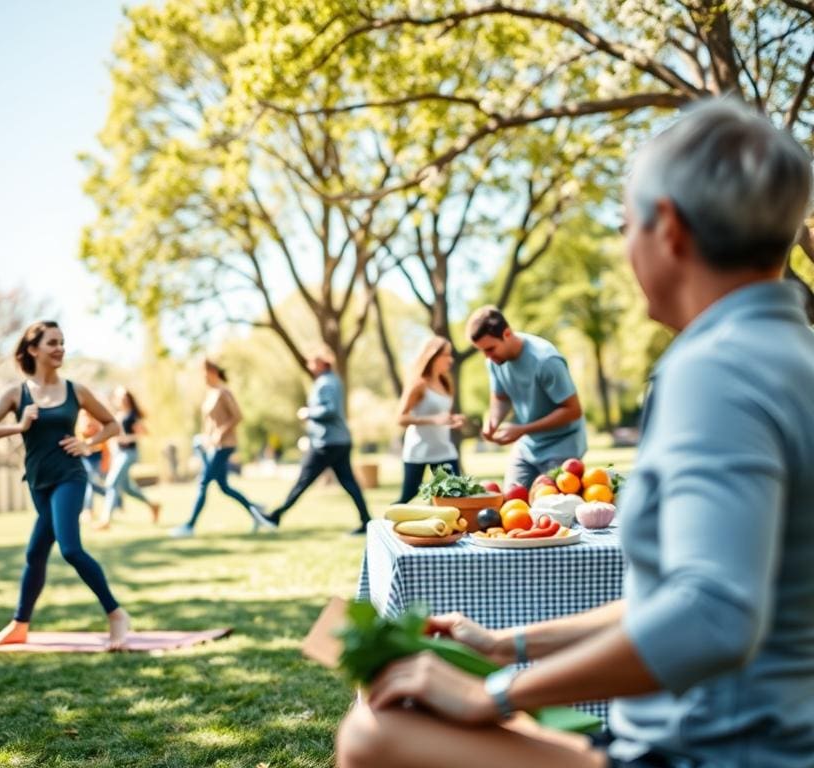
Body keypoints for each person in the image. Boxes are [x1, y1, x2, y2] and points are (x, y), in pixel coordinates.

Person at [336, 100, 814, 768]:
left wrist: (494, 694)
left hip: (708, 752)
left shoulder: (715, 368)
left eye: (625, 226)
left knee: (373, 732)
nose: (624, 248)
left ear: (669, 228)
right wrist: (506, 645)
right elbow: (679, 596)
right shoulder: (791, 352)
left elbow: (713, 616)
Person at [0, 320, 130, 650]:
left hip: (69, 476)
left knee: (70, 549)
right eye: (52, 343)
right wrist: (19, 426)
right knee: (36, 553)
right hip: (38, 481)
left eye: (61, 342)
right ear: (33, 349)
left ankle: (116, 615)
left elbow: (112, 424)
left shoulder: (75, 390)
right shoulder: (17, 394)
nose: (60, 349)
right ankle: (19, 625)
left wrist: (89, 444)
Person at [467, 305, 586, 489]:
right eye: (482, 351)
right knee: (510, 498)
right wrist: (493, 422)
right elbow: (501, 397)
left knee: (548, 502)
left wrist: (523, 429)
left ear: (507, 334)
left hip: (562, 445)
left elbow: (573, 410)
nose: (487, 357)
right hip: (527, 446)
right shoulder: (494, 361)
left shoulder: (546, 360)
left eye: (490, 349)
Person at [264, 346, 371, 535]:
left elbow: (330, 409)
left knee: (303, 480)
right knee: (349, 483)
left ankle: (275, 516)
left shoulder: (325, 383)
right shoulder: (332, 380)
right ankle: (366, 521)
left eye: (312, 362)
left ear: (322, 363)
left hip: (327, 443)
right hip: (339, 440)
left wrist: (308, 413)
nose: (309, 366)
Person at [169, 359, 272, 537]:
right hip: (212, 446)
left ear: (213, 372)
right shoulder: (210, 393)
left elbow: (237, 416)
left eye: (203, 372)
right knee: (224, 487)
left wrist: (220, 432)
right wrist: (205, 438)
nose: (201, 377)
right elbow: (210, 422)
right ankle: (255, 511)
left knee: (203, 482)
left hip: (224, 445)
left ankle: (190, 526)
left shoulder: (223, 392)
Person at [394, 336, 465, 503]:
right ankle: (386, 519)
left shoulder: (445, 382)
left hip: (444, 449)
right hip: (419, 450)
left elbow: (442, 415)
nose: (451, 359)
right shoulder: (419, 384)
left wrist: (452, 419)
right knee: (408, 496)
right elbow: (400, 418)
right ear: (433, 356)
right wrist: (432, 420)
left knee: (456, 494)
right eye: (446, 355)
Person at [95, 386, 161, 529]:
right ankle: (153, 505)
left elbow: (143, 433)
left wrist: (127, 438)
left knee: (112, 483)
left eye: (124, 397)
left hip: (129, 454)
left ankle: (105, 520)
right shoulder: (118, 414)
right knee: (127, 488)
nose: (122, 400)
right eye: (119, 397)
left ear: (129, 399)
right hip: (118, 453)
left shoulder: (133, 416)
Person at [77, 407, 108, 515]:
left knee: (90, 481)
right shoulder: (80, 420)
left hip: (94, 455)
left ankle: (88, 509)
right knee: (89, 481)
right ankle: (110, 495)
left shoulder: (95, 422)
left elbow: (101, 439)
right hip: (83, 455)